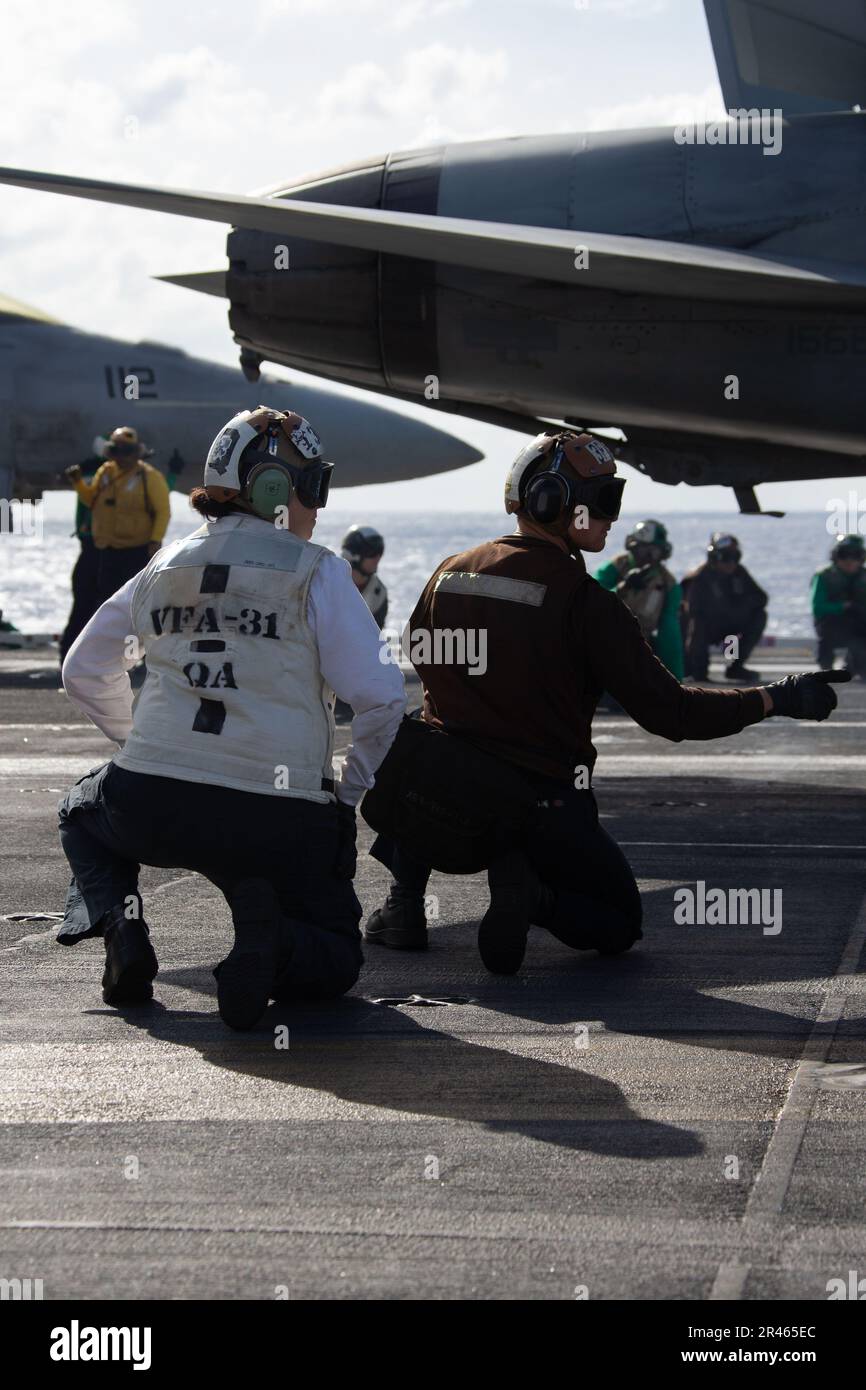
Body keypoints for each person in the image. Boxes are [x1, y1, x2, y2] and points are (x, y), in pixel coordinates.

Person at [363, 429, 849, 974]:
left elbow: (423, 663)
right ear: (553, 502)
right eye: (606, 500)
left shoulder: (446, 574)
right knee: (619, 923)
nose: (613, 516)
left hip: (445, 798)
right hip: (539, 801)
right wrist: (775, 698)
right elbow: (675, 715)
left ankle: (405, 901)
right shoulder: (587, 603)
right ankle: (531, 895)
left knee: (426, 743)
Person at [57, 406, 406, 1029]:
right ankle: (271, 945)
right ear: (273, 488)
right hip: (278, 813)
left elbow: (83, 669)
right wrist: (343, 798)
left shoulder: (159, 566)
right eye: (313, 485)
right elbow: (381, 698)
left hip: (153, 802)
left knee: (83, 815)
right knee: (336, 959)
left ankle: (124, 929)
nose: (319, 505)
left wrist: (140, 745)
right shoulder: (319, 571)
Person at [65, 426, 171, 611]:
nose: (122, 456)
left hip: (137, 552)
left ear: (136, 452)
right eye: (116, 450)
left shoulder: (150, 477)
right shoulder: (105, 473)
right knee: (107, 602)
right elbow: (92, 500)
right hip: (108, 551)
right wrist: (78, 482)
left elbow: (163, 511)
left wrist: (155, 540)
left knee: (135, 603)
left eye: (127, 451)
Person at [594, 519, 684, 679]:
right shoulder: (613, 569)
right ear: (632, 548)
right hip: (603, 640)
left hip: (640, 647)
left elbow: (669, 636)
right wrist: (622, 588)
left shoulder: (668, 585)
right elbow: (590, 605)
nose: (647, 558)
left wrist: (676, 682)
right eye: (642, 551)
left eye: (653, 552)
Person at [681, 533, 767, 683]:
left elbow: (761, 598)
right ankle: (698, 670)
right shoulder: (698, 578)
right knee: (697, 624)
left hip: (729, 632)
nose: (731, 563)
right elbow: (692, 613)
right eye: (726, 557)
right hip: (701, 632)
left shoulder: (739, 573)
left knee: (759, 616)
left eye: (735, 557)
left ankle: (735, 667)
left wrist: (739, 607)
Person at [59, 447, 103, 665]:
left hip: (90, 554)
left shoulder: (90, 478)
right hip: (103, 555)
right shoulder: (110, 479)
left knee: (82, 611)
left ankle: (67, 657)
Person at [811, 533, 866, 677]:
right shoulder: (824, 576)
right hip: (832, 624)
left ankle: (854, 664)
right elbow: (818, 608)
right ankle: (826, 665)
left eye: (855, 556)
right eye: (844, 555)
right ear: (835, 556)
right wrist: (843, 607)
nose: (849, 560)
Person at [341, 525, 388, 628]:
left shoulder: (378, 594)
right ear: (353, 554)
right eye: (371, 553)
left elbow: (375, 637)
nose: (377, 558)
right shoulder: (327, 583)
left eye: (380, 552)